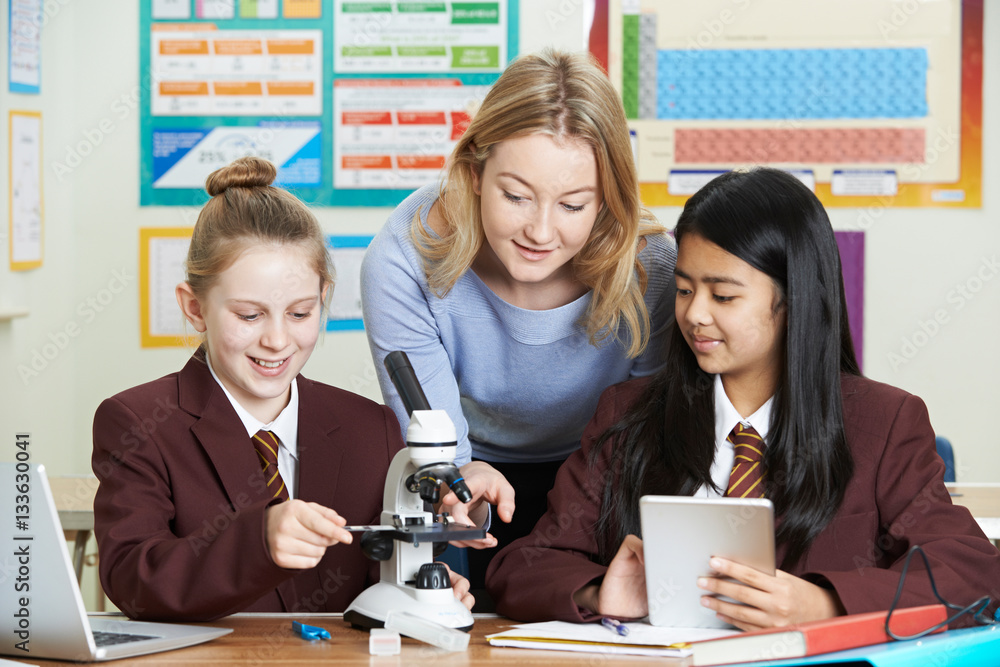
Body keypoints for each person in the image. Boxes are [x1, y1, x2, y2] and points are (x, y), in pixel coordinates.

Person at [486, 167, 1000, 628]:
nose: (695, 315)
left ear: (794, 301)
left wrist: (825, 604)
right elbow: (522, 568)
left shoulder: (884, 423)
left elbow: (971, 573)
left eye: (724, 295)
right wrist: (600, 590)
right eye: (685, 290)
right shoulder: (630, 415)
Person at [92, 157, 472, 621]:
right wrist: (258, 540)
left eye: (299, 313)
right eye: (249, 316)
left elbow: (378, 573)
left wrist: (419, 590)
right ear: (194, 308)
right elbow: (133, 580)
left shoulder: (374, 428)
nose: (276, 340)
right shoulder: (139, 423)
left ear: (323, 297)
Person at [360, 49, 676, 596]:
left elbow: (644, 430)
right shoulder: (403, 258)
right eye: (516, 196)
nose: (540, 231)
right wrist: (458, 478)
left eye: (574, 205)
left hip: (598, 468)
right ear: (475, 172)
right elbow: (436, 446)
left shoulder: (652, 266)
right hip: (463, 461)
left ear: (607, 201)